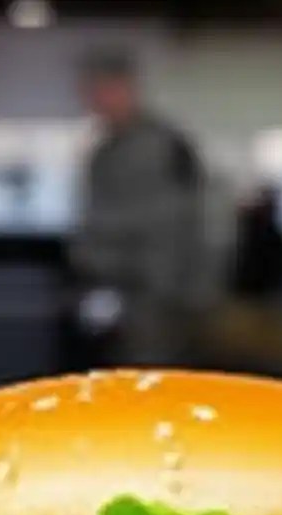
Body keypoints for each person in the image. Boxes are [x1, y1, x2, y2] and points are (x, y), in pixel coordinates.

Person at [72, 50, 208, 366]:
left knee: (148, 379)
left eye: (99, 89)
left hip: (154, 293)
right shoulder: (107, 148)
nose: (93, 100)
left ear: (124, 88)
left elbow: (172, 220)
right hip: (118, 288)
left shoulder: (156, 145)